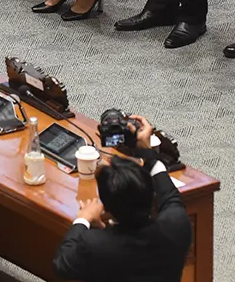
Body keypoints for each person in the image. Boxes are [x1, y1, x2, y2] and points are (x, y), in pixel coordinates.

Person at [53, 116, 191, 282]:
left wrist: (82, 220)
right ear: (150, 193)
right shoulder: (176, 226)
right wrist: (147, 153)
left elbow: (62, 264)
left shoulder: (95, 245)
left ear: (106, 207)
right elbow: (170, 196)